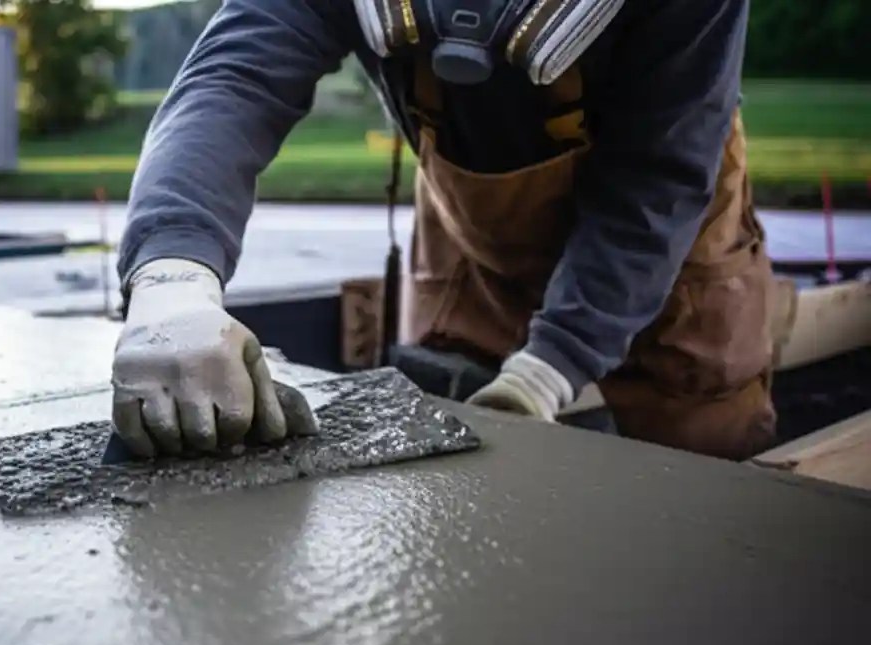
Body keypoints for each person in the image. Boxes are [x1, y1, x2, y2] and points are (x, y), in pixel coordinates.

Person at [110, 0, 776, 461]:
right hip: (472, 240)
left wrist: (547, 372)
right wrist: (173, 280)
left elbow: (656, 180)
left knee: (699, 493)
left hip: (667, 256)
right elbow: (233, 81)